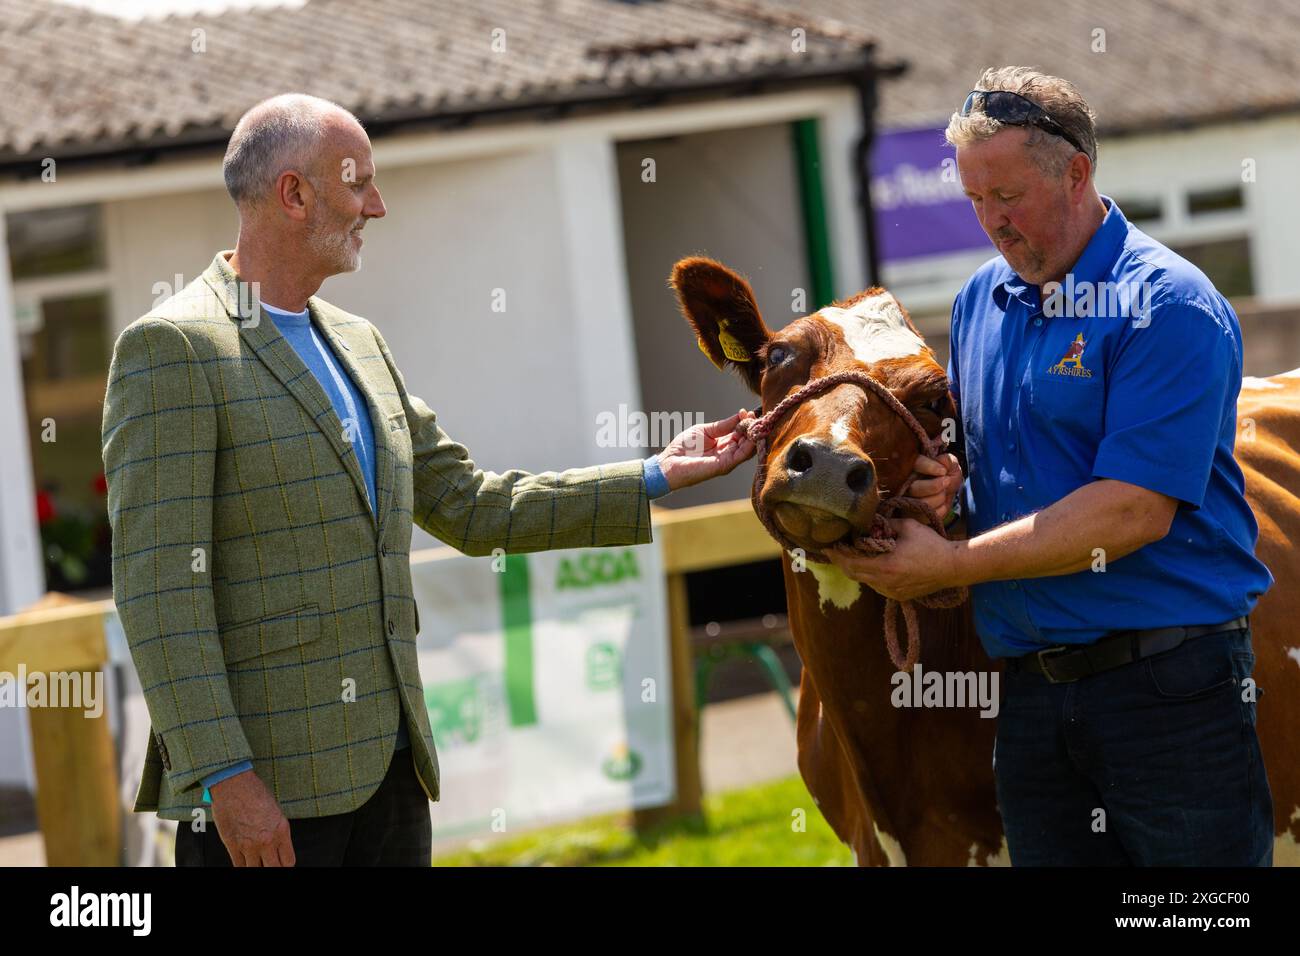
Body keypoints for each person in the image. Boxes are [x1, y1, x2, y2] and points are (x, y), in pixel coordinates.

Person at [101, 92, 756, 867]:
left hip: (392, 780)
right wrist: (225, 777)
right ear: (293, 193)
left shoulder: (359, 341)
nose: (377, 206)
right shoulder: (171, 347)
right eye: (358, 182)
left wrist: (653, 474)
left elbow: (472, 507)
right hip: (262, 803)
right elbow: (159, 591)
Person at [826, 67, 1274, 866]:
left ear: (1076, 172)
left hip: (1168, 688)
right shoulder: (977, 303)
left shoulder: (1167, 305)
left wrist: (952, 563)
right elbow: (995, 454)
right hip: (1030, 698)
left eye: (1008, 196)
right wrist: (951, 481)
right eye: (973, 200)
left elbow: (1132, 511)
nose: (992, 222)